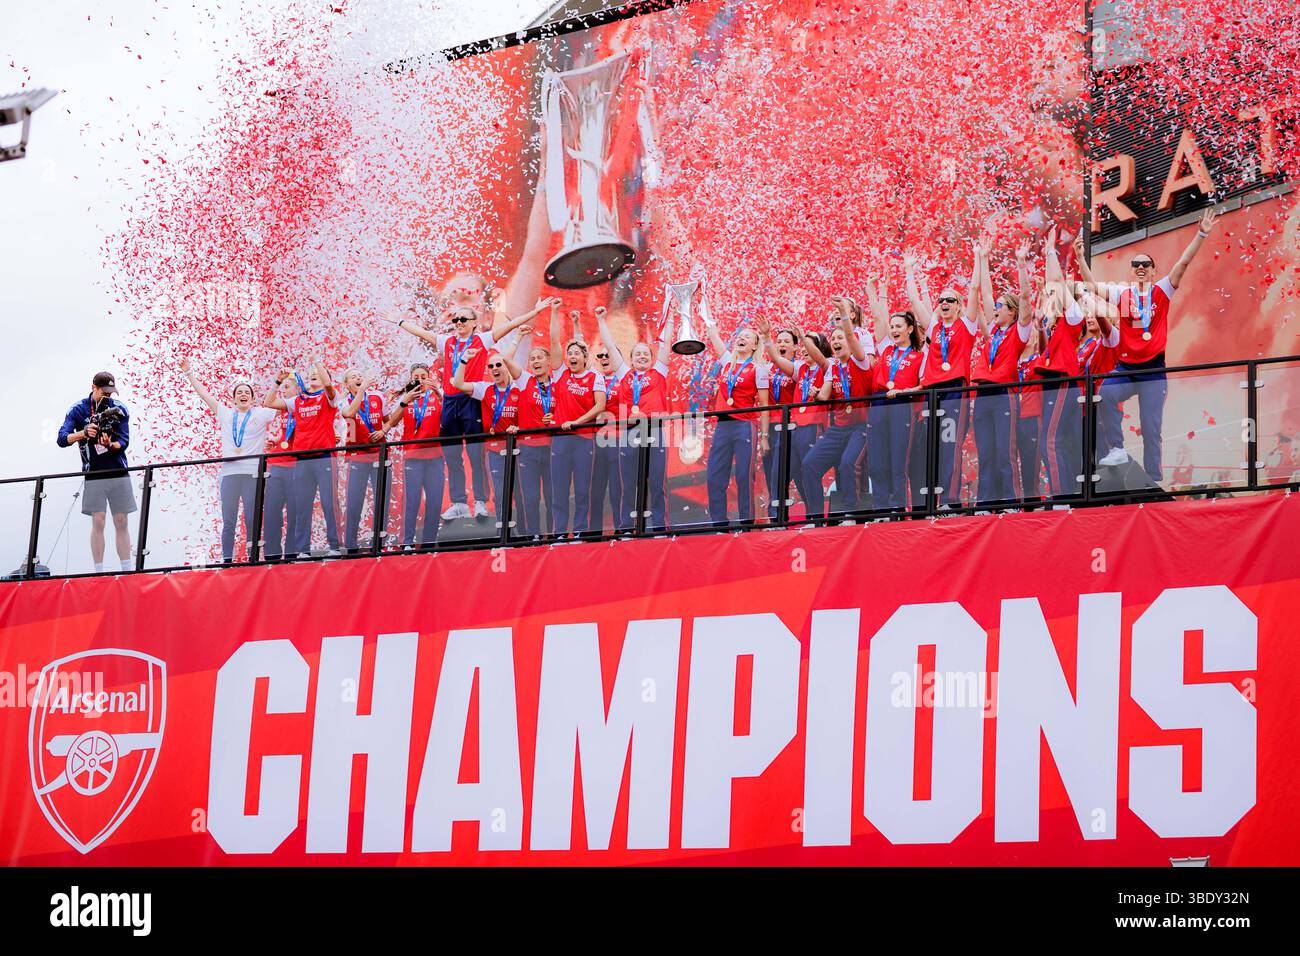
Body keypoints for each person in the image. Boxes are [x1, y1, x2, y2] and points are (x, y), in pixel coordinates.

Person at [1080, 208, 1219, 482]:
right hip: (1127, 368)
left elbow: (1182, 263)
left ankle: (1154, 478)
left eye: (1146, 265)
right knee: (1105, 394)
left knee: (1150, 426)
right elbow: (1093, 286)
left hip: (1153, 369)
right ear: (1132, 272)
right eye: (1136, 265)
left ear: (1154, 271)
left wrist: (1201, 233)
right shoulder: (1123, 293)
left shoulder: (1162, 290)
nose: (1141, 268)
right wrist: (1078, 258)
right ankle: (1117, 448)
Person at [387, 297, 554, 520]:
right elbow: (421, 333)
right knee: (453, 454)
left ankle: (480, 501)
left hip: (471, 398)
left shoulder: (482, 339)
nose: (458, 322)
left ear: (474, 322)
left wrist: (534, 311)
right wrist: (399, 322)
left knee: (475, 455)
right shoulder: (446, 341)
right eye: (456, 319)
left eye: (463, 319)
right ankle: (459, 502)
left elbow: (510, 326)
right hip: (449, 401)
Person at [181, 358, 278, 562]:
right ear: (234, 399)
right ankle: (227, 559)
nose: (243, 395)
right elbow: (204, 394)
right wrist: (189, 372)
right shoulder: (225, 413)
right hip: (230, 474)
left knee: (252, 518)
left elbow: (285, 405)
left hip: (253, 473)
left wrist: (282, 382)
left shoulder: (261, 413)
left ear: (253, 399)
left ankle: (253, 558)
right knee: (229, 520)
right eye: (239, 392)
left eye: (247, 393)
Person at [905, 250, 981, 507]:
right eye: (941, 300)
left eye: (950, 300)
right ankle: (931, 500)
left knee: (950, 444)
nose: (944, 303)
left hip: (954, 390)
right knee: (931, 447)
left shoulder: (967, 326)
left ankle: (950, 500)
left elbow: (975, 291)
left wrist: (978, 258)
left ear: (958, 305)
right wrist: (908, 269)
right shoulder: (935, 328)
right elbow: (915, 303)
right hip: (932, 392)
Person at [598, 304, 675, 533]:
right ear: (630, 359)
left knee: (657, 482)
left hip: (654, 429)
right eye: (637, 354)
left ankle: (660, 527)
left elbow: (665, 344)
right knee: (628, 483)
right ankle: (627, 526)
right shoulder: (624, 375)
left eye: (646, 354)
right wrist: (602, 320)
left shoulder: (659, 372)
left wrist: (669, 318)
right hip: (630, 431)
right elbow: (611, 347)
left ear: (652, 359)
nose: (642, 356)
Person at [969, 238, 1034, 505]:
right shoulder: (993, 332)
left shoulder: (1018, 333)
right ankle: (985, 502)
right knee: (985, 452)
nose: (995, 309)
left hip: (1004, 394)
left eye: (1000, 307)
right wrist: (982, 259)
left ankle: (1009, 501)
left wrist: (1020, 264)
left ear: (1012, 312)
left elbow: (1026, 298)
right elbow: (985, 294)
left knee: (1005, 451)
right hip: (981, 395)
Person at [801, 302, 877, 522]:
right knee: (809, 465)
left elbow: (853, 339)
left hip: (862, 426)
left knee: (847, 462)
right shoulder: (833, 367)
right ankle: (815, 519)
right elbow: (825, 395)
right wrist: (816, 393)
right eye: (833, 338)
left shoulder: (860, 362)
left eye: (840, 338)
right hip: (839, 428)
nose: (835, 341)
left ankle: (851, 513)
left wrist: (844, 317)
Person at [56, 371, 135, 573]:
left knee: (121, 520)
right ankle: (98, 570)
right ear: (94, 388)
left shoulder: (119, 409)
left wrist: (110, 444)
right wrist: (84, 433)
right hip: (93, 473)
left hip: (118, 470)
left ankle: (127, 569)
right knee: (98, 519)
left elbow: (124, 442)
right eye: (104, 392)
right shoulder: (78, 409)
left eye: (111, 392)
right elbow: (62, 439)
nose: (108, 396)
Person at [264, 359, 342, 557]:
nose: (312, 377)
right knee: (302, 506)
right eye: (310, 376)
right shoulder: (298, 401)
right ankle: (302, 550)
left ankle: (335, 546)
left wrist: (317, 362)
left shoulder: (328, 397)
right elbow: (269, 402)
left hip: (324, 457)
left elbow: (327, 385)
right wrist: (277, 381)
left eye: (316, 375)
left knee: (328, 502)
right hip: (302, 459)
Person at [756, 316, 828, 521]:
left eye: (809, 344)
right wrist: (768, 337)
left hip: (811, 426)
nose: (805, 348)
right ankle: (777, 520)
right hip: (790, 427)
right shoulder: (800, 369)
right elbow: (777, 360)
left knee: (807, 472)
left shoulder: (826, 367)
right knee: (778, 473)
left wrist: (802, 337)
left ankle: (816, 519)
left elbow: (820, 358)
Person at [702, 316, 771, 526]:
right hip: (723, 425)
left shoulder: (759, 369)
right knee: (715, 476)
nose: (741, 339)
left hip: (744, 425)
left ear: (754, 345)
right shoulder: (727, 363)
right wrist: (706, 313)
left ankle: (746, 523)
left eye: (747, 337)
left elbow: (765, 406)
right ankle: (719, 524)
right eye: (740, 336)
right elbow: (714, 337)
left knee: (743, 476)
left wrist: (765, 436)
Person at [450, 346, 526, 530]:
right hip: (494, 450)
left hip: (520, 449)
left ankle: (526, 532)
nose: (494, 369)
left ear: (506, 367)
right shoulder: (485, 389)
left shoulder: (520, 387)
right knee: (500, 493)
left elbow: (531, 416)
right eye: (490, 366)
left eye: (498, 364)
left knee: (522, 493)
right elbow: (457, 383)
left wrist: (520, 427)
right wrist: (463, 360)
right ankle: (504, 532)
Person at [547, 306, 607, 538]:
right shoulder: (561, 374)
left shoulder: (595, 377)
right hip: (561, 440)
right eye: (569, 353)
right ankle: (560, 532)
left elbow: (599, 406)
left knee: (583, 489)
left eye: (576, 354)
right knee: (560, 489)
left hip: (583, 439)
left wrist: (576, 422)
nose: (571, 356)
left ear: (584, 358)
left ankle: (581, 531)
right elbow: (554, 341)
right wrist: (554, 313)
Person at [868, 311, 926, 511]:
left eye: (899, 326)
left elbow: (923, 385)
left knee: (898, 458)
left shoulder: (919, 356)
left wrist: (902, 391)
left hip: (903, 405)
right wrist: (877, 288)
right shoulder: (886, 350)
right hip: (879, 403)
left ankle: (897, 507)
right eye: (892, 326)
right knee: (876, 459)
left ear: (910, 329)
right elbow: (878, 317)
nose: (894, 330)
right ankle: (880, 508)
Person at [382, 362, 444, 549]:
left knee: (434, 502)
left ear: (429, 378)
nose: (419, 380)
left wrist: (440, 395)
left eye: (423, 377)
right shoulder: (407, 400)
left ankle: (429, 543)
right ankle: (407, 541)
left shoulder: (437, 397)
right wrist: (404, 400)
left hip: (435, 457)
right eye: (416, 377)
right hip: (413, 457)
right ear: (411, 379)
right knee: (412, 500)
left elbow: (449, 417)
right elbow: (391, 422)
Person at [339, 369, 390, 553]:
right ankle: (350, 545)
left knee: (381, 499)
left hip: (380, 454)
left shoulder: (377, 397)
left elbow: (388, 420)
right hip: (356, 456)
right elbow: (350, 413)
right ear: (347, 384)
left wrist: (383, 431)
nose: (359, 377)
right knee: (354, 501)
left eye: (359, 375)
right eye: (354, 377)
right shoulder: (343, 401)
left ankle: (379, 542)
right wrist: (362, 390)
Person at [589, 312, 629, 534]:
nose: (604, 358)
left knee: (617, 489)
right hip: (595, 442)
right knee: (594, 490)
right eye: (601, 356)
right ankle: (592, 534)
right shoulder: (594, 379)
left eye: (609, 355)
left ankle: (622, 530)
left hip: (618, 440)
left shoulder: (625, 379)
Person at [260, 373, 300, 560]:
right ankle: (272, 554)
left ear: (298, 389)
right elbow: (284, 433)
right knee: (272, 511)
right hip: (276, 465)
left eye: (287, 387)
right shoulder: (282, 409)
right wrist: (274, 441)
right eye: (282, 387)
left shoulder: (305, 407)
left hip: (296, 466)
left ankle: (291, 553)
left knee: (294, 512)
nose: (283, 391)